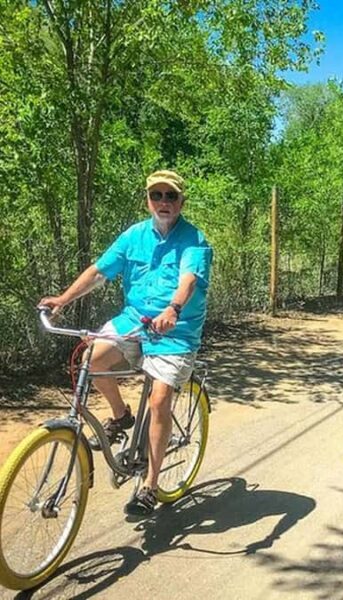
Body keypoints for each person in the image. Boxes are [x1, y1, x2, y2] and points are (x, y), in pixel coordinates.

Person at [38, 170, 213, 516]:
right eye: (156, 195)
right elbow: (98, 272)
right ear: (147, 199)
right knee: (93, 357)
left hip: (175, 330)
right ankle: (121, 416)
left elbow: (188, 281)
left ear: (182, 201)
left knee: (161, 397)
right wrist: (63, 300)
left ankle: (149, 484)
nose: (163, 202)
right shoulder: (134, 236)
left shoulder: (194, 241)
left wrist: (174, 309)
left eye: (170, 196)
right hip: (135, 320)